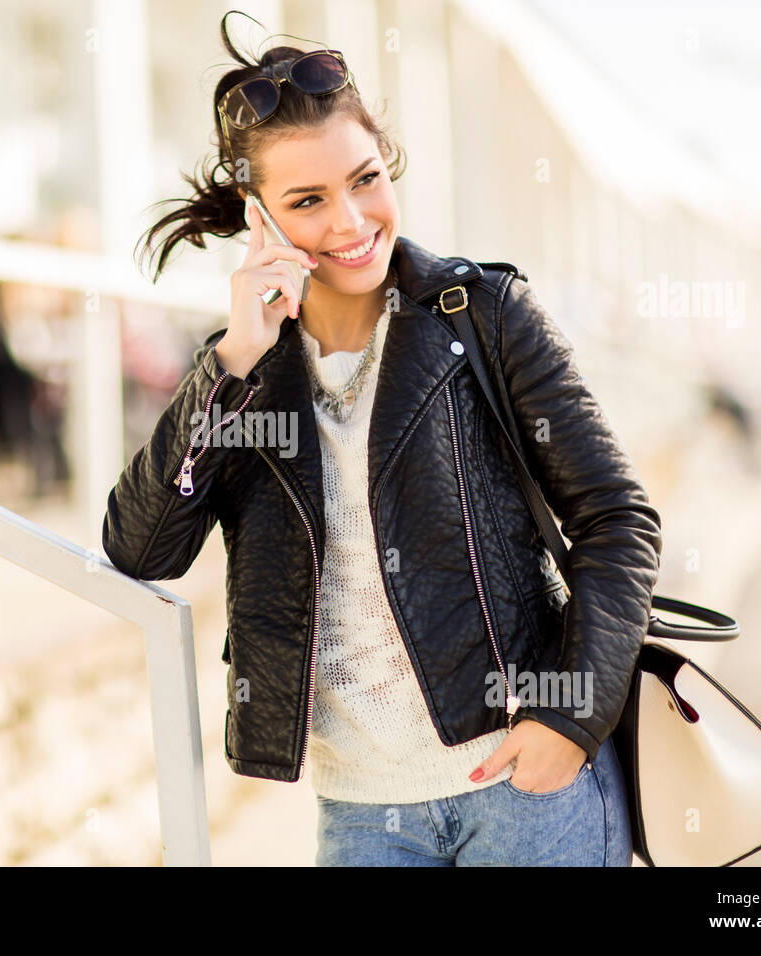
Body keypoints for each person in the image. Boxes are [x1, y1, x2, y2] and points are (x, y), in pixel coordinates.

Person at [103, 11, 661, 866]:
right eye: (308, 201)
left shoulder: (484, 316)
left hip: (526, 792)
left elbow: (617, 519)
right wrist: (235, 358)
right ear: (257, 216)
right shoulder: (242, 372)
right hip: (362, 815)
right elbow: (141, 548)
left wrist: (574, 715)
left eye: (365, 179)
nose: (351, 220)